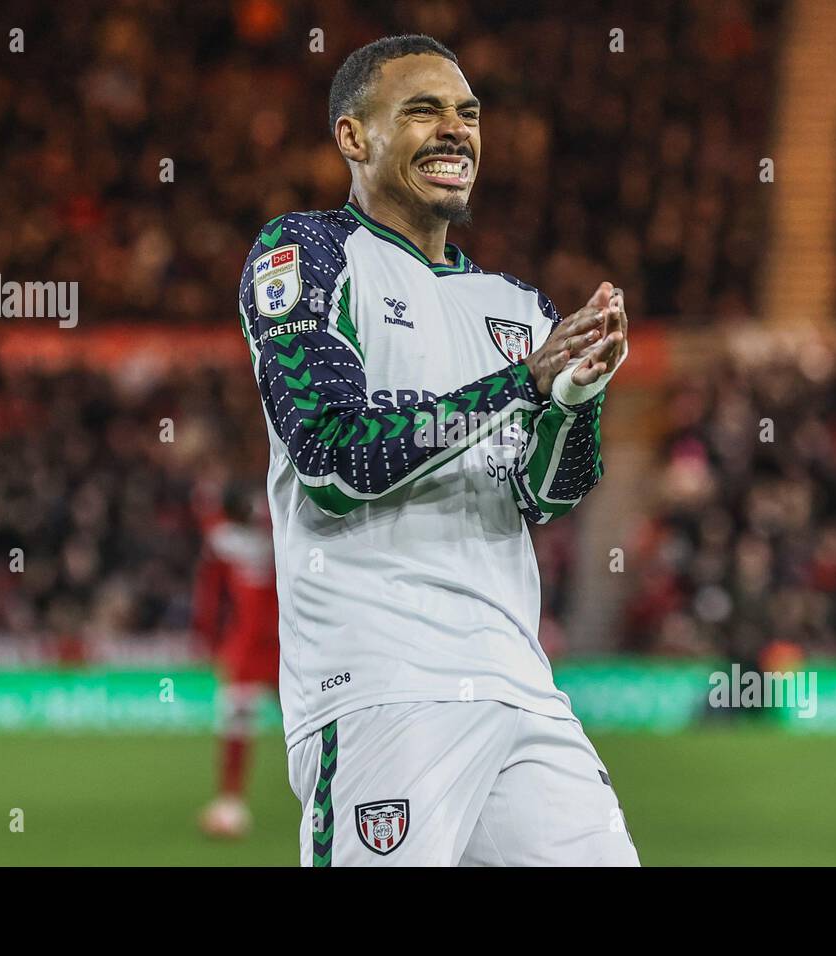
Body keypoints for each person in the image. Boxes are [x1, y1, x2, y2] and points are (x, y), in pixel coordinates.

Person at [238, 34, 635, 866]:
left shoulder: (517, 303)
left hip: (519, 686)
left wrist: (575, 399)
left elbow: (546, 497)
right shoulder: (308, 255)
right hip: (384, 684)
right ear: (354, 137)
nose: (456, 131)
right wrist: (521, 383)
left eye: (468, 114)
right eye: (423, 110)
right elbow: (332, 459)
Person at [192, 483, 279, 839]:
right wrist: (208, 637)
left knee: (305, 726)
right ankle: (230, 802)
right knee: (237, 722)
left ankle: (338, 791)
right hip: (249, 648)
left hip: (286, 646)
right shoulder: (224, 540)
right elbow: (210, 594)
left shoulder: (281, 528)